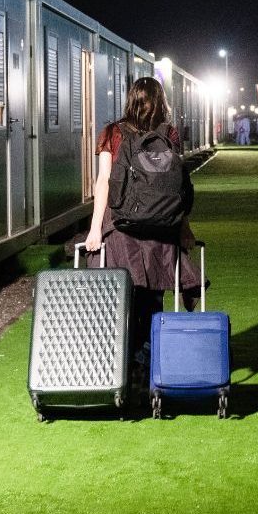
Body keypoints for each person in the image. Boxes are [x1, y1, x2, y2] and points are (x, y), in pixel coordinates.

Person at [85, 76, 201, 387]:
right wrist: (183, 229)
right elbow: (176, 186)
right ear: (161, 102)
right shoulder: (170, 134)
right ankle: (151, 366)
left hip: (121, 227)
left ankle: (124, 364)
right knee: (154, 297)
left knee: (123, 297)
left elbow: (104, 183)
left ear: (131, 100)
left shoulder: (113, 133)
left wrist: (96, 229)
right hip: (161, 230)